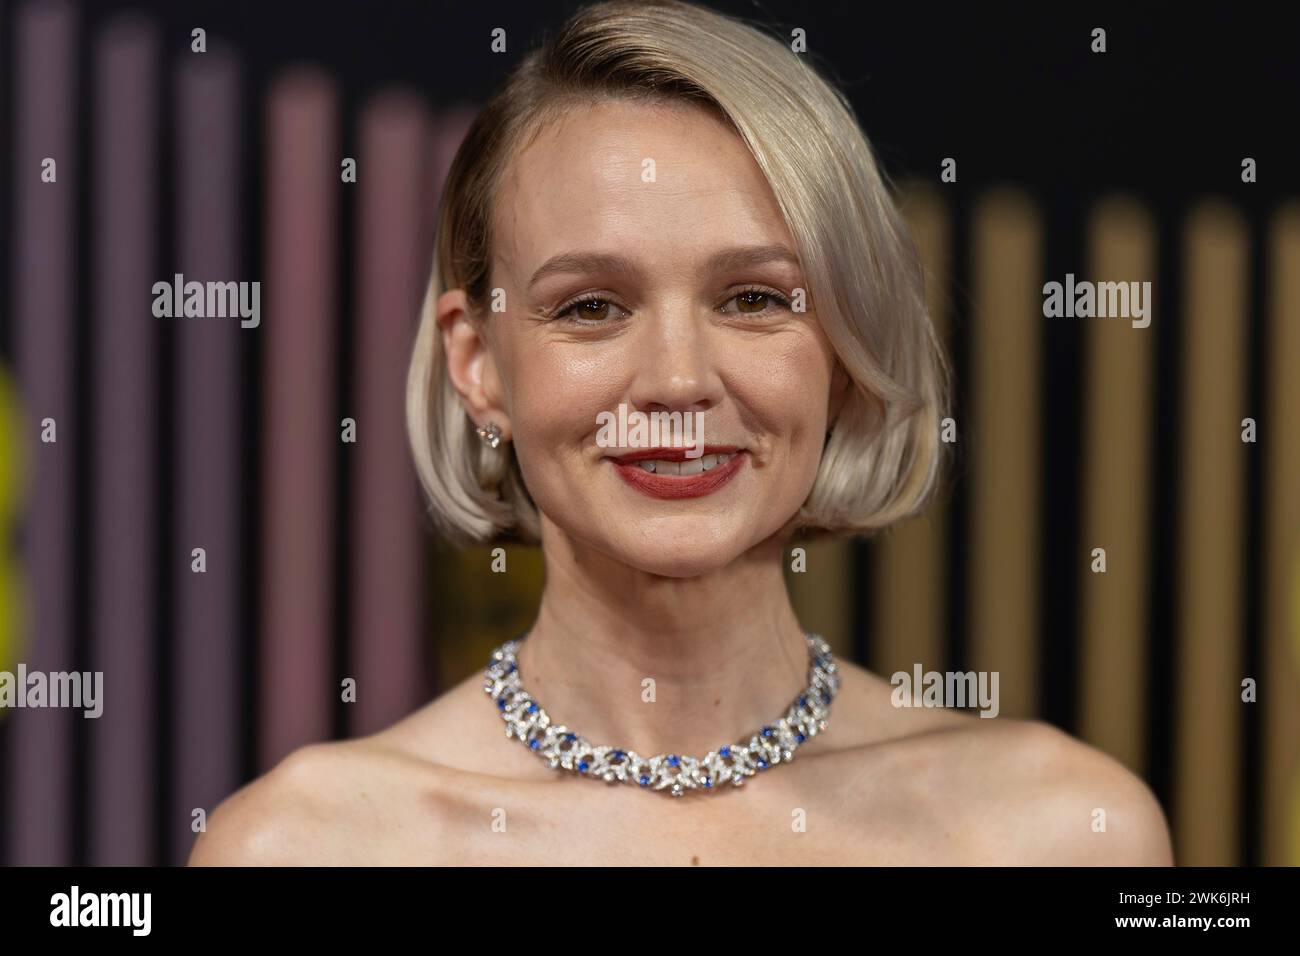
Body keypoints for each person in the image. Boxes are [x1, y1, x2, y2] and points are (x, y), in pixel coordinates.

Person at [189, 0, 1174, 865]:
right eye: (589, 306)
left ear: (839, 347)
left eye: (752, 297)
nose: (674, 380)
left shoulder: (1061, 829)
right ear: (479, 363)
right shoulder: (307, 846)